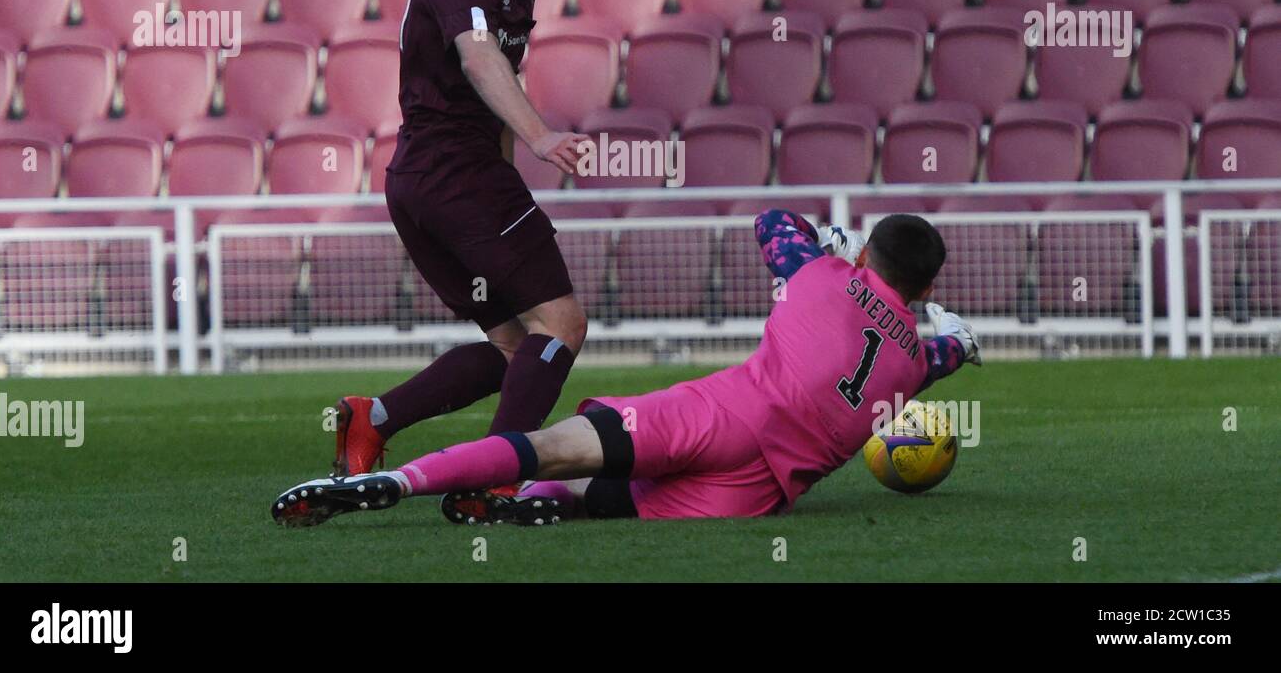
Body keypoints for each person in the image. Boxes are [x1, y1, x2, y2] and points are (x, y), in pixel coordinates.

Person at [273, 209, 982, 526]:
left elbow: (772, 222)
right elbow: (944, 357)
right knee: (591, 497)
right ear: (923, 292)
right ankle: (528, 509)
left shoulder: (825, 275)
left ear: (864, 259)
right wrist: (955, 340)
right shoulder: (913, 363)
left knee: (549, 449)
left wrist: (829, 238)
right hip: (758, 494)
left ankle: (397, 480)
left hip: (725, 415)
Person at [328, 0, 592, 480]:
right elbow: (478, 58)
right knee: (561, 323)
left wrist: (511, 166)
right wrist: (538, 138)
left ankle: (375, 419)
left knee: (513, 347)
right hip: (453, 178)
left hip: (430, 183)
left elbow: (493, 81)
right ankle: (499, 476)